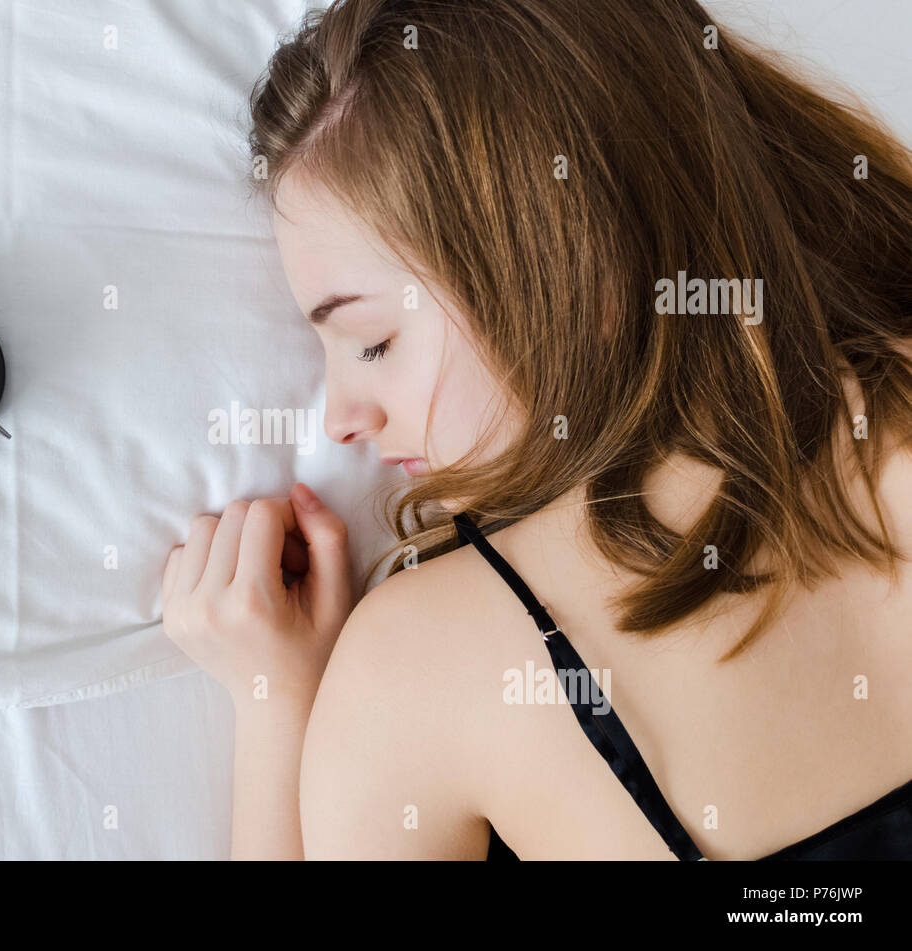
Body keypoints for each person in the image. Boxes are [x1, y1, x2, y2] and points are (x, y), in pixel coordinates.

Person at [162, 0, 912, 860]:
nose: (341, 418)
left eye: (374, 340)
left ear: (569, 252)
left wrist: (276, 702)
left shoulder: (423, 668)